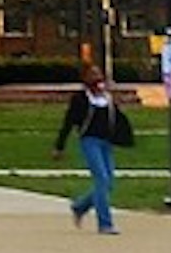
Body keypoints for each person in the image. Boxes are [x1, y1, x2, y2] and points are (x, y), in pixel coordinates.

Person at [53, 64, 125, 234]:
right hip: (90, 141)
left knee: (109, 184)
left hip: (106, 142)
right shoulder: (80, 99)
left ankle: (80, 206)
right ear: (84, 78)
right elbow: (68, 122)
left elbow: (116, 120)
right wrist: (59, 146)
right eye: (92, 74)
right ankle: (105, 223)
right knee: (101, 179)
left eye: (98, 73)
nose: (97, 77)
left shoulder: (106, 97)